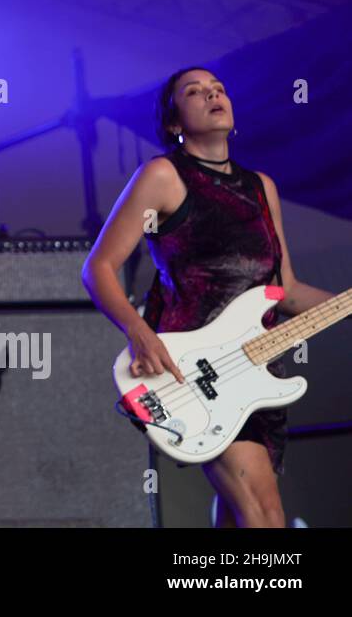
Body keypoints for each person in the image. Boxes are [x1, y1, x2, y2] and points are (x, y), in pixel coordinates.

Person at [82, 67, 335, 527]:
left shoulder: (262, 188)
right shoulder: (162, 175)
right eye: (194, 92)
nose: (211, 94)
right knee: (266, 514)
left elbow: (288, 291)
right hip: (196, 370)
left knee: (239, 517)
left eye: (218, 88)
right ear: (175, 122)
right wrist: (138, 332)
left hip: (256, 372)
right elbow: (97, 268)